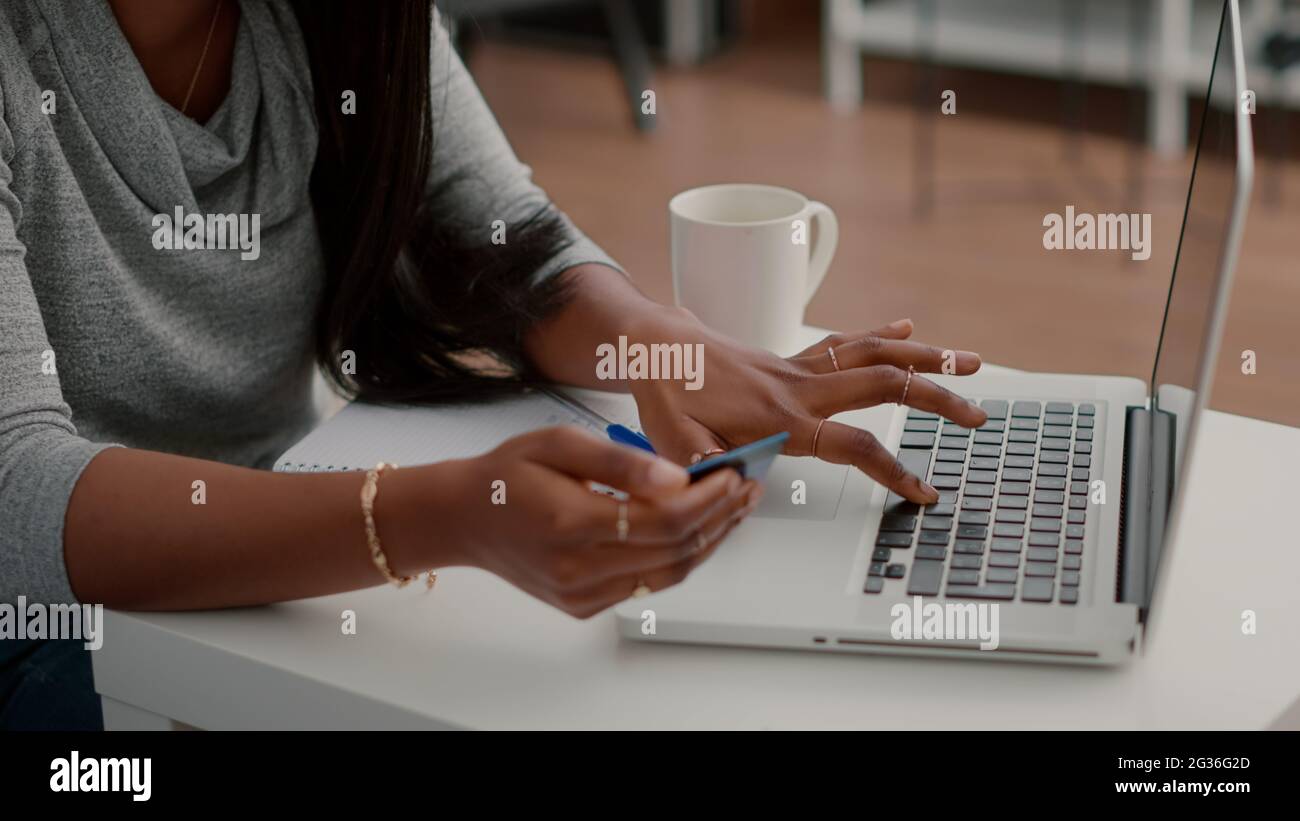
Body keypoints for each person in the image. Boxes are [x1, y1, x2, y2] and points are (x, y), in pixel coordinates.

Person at [0, 0, 986, 729]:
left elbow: (506, 234)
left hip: (285, 550)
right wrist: (432, 515)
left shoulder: (347, 22)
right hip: (48, 629)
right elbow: (17, 491)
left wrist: (666, 346)